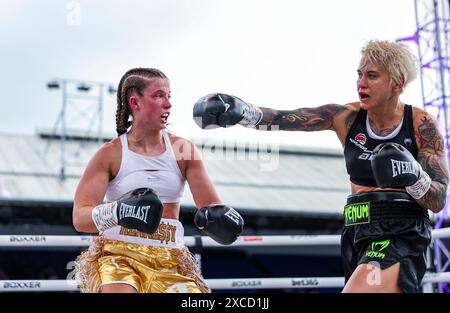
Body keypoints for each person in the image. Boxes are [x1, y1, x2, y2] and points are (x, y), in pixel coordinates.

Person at [192, 40, 449, 293]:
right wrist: (242, 112)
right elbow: (287, 118)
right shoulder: (345, 117)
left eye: (372, 76)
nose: (361, 83)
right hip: (356, 228)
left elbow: (438, 199)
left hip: (401, 232)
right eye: (359, 75)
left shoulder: (421, 125)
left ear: (398, 83)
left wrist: (415, 177)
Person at [73, 67, 244, 293]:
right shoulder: (110, 154)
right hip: (118, 255)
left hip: (170, 257)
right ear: (135, 102)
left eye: (169, 96)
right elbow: (80, 217)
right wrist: (118, 212)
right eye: (159, 96)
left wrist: (221, 220)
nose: (168, 104)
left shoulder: (183, 150)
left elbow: (210, 208)